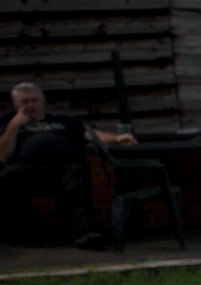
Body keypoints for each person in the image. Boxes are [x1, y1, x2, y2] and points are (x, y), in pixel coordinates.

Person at [0, 82, 128, 249]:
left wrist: (118, 138)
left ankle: (84, 235)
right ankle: (32, 231)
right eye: (25, 102)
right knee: (4, 182)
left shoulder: (63, 121)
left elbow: (91, 134)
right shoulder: (8, 125)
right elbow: (3, 155)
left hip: (63, 169)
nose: (30, 105)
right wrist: (14, 125)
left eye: (34, 100)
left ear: (42, 102)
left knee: (76, 182)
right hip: (24, 171)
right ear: (16, 105)